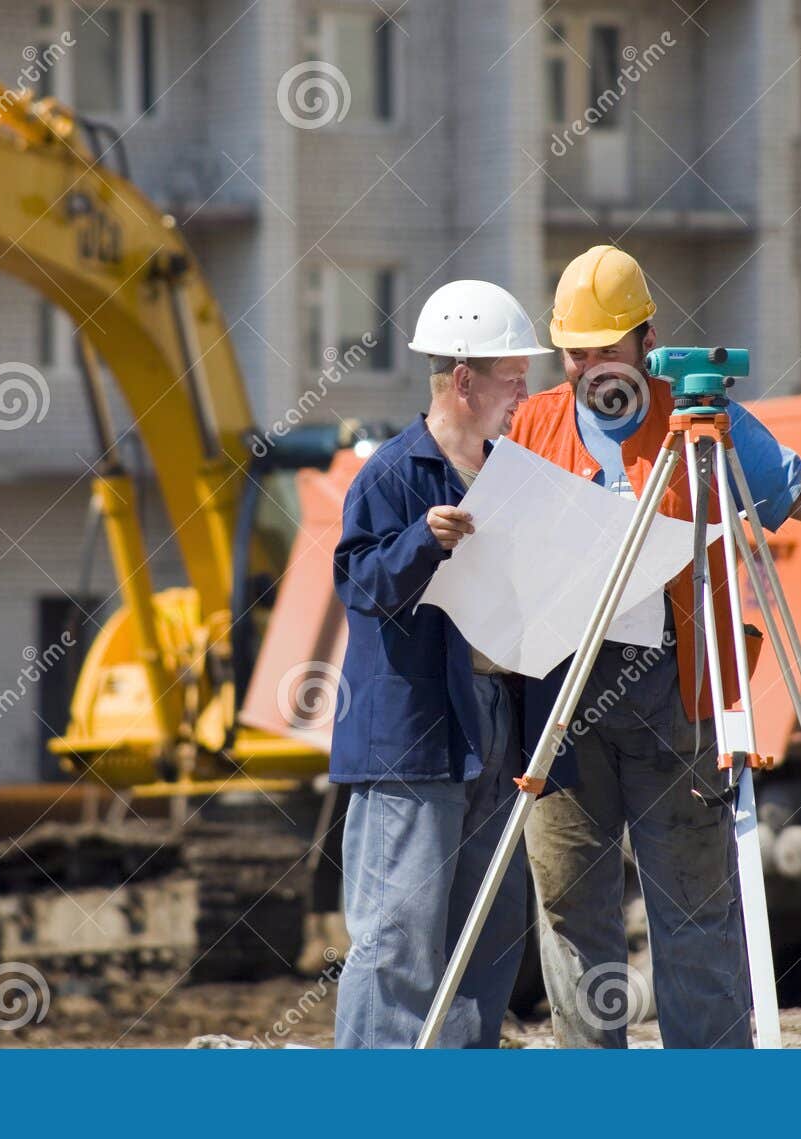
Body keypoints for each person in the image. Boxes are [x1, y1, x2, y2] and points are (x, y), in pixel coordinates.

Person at [507, 244, 801, 1048]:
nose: (588, 367)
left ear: (648, 339)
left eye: (606, 349)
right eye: (574, 352)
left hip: (677, 692)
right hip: (563, 698)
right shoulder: (535, 423)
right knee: (572, 907)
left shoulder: (699, 415)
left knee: (694, 908)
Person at [330, 279, 552, 1048]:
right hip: (417, 736)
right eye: (513, 376)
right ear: (464, 380)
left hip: (496, 724)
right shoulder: (392, 475)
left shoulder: (512, 474)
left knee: (485, 935)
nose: (526, 389)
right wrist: (423, 538)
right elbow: (359, 584)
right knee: (399, 937)